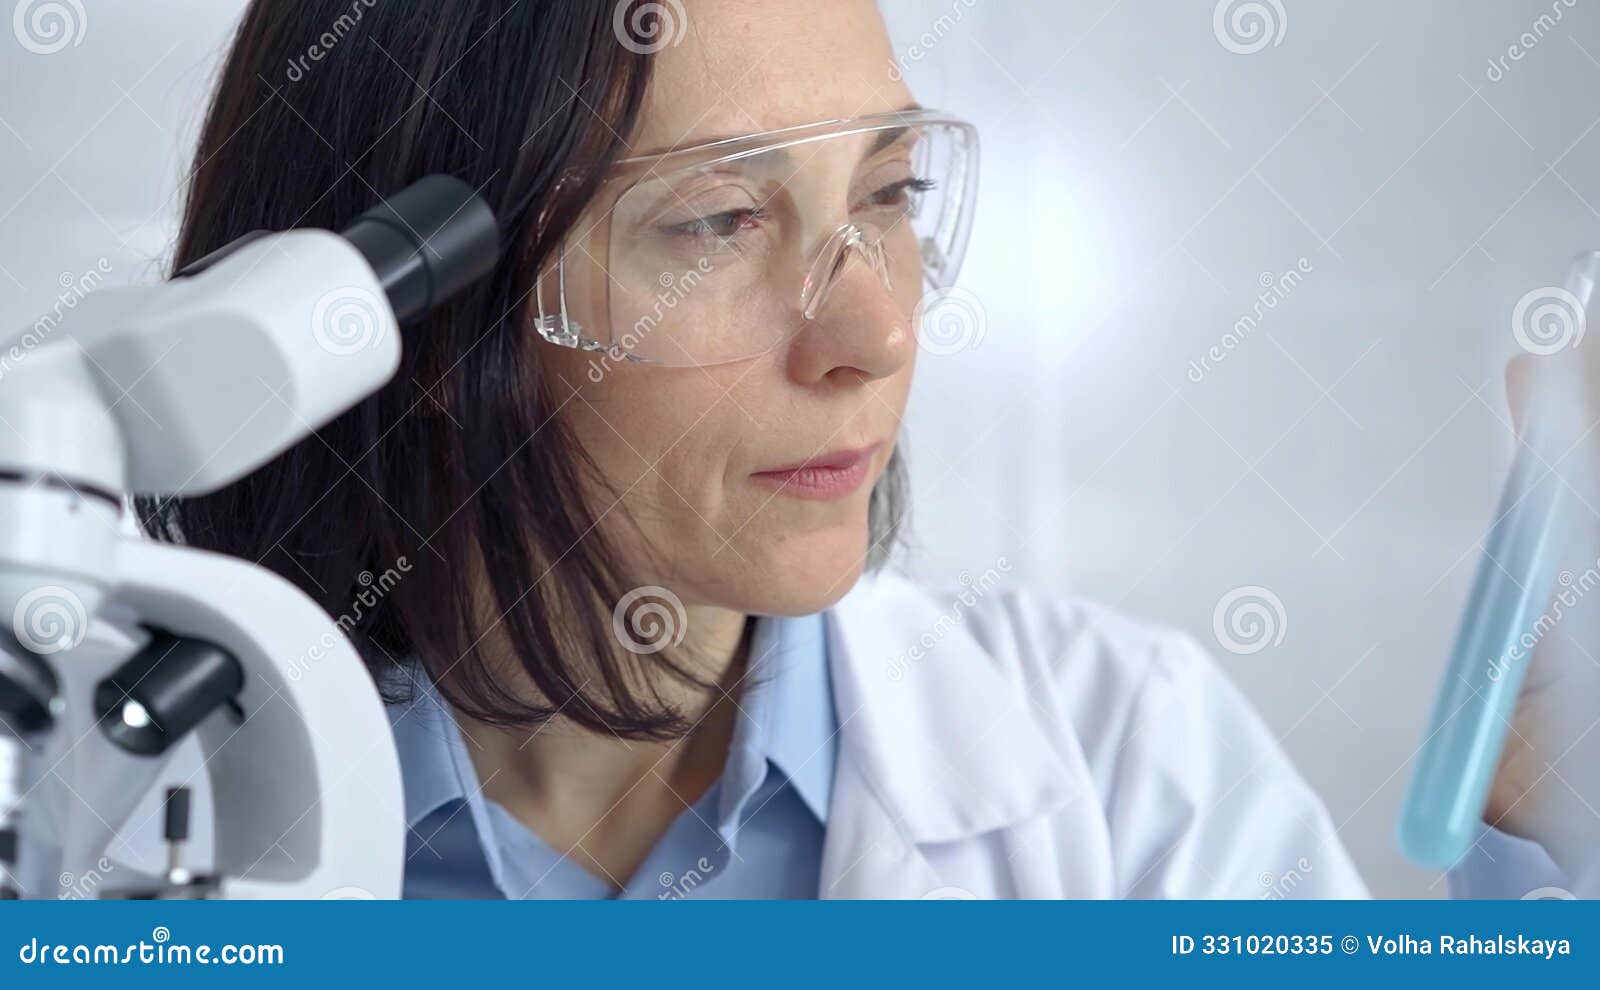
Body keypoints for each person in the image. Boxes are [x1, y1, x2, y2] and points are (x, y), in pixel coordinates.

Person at [111, 0, 1599, 898]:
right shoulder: (100, 828)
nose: (874, 335)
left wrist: (1546, 835)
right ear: (411, 323)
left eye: (888, 193)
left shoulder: (1131, 767)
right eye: (717, 222)